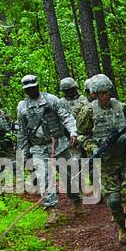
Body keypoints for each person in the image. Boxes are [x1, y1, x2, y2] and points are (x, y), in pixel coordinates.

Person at [77, 73, 126, 244]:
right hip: (105, 164)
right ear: (95, 95)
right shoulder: (88, 112)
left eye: (107, 92)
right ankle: (122, 226)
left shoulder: (123, 108)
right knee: (113, 200)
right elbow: (82, 136)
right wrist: (93, 148)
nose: (105, 96)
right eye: (101, 93)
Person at [15, 73, 79, 226]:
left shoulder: (51, 100)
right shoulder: (22, 107)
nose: (31, 91)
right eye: (28, 89)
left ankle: (77, 203)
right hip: (38, 148)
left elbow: (66, 117)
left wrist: (73, 131)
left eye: (33, 87)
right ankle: (52, 210)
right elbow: (22, 132)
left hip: (59, 144)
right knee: (43, 177)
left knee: (69, 174)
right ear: (25, 90)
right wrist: (22, 153)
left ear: (38, 86)